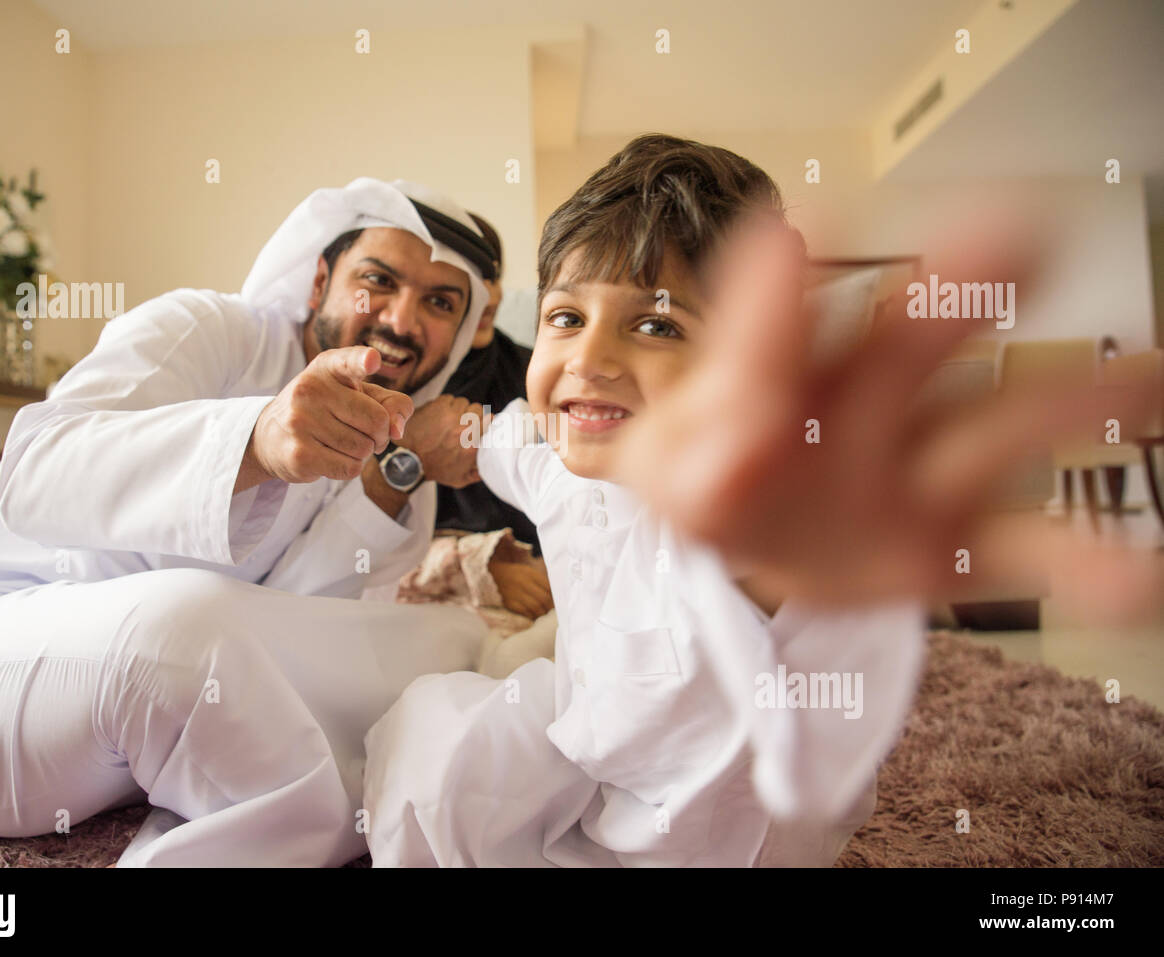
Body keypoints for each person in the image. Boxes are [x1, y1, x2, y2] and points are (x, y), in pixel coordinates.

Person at [361, 134, 1161, 866]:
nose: (589, 358)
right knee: (443, 726)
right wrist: (432, 435)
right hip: (594, 762)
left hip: (707, 840)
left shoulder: (742, 523)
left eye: (659, 327)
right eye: (566, 317)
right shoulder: (555, 455)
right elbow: (488, 439)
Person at [0, 177, 502, 867]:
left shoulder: (397, 433)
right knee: (186, 629)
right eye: (378, 279)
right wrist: (255, 440)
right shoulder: (209, 329)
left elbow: (294, 625)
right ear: (319, 280)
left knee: (451, 637)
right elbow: (34, 471)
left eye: (440, 302)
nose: (403, 320)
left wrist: (393, 472)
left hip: (138, 721)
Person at [434, 212, 553, 620]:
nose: (490, 295)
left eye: (495, 277)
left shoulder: (537, 371)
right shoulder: (401, 383)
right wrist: (481, 564)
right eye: (471, 277)